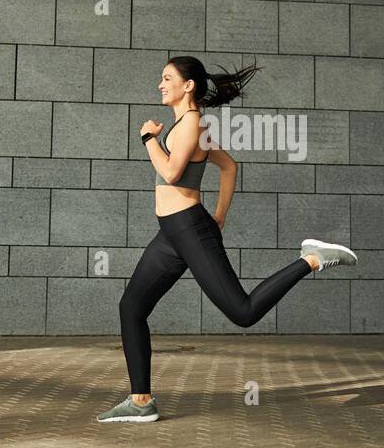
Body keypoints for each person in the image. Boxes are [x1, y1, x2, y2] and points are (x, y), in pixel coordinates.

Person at [97, 56, 357, 422]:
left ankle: (312, 258)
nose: (160, 84)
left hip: (187, 229)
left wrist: (147, 138)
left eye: (167, 77)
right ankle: (140, 400)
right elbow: (229, 166)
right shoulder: (186, 126)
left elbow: (171, 174)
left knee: (243, 312)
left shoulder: (191, 124)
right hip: (173, 233)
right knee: (131, 307)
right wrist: (218, 216)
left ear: (188, 85)